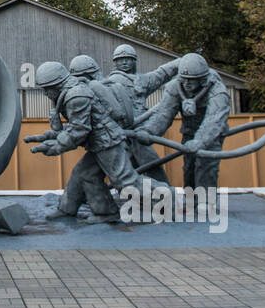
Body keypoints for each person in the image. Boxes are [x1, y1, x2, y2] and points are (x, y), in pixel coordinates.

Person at [30, 61, 168, 223]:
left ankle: (168, 198)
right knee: (83, 174)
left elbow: (79, 130)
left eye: (46, 88)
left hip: (108, 143)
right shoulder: (69, 93)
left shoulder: (77, 96)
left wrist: (56, 147)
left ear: (56, 84)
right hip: (99, 143)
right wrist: (49, 136)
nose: (45, 93)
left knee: (126, 181)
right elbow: (75, 127)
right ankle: (83, 210)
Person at [136, 52, 230, 190]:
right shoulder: (174, 87)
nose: (186, 83)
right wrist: (148, 130)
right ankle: (192, 202)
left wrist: (200, 141)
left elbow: (214, 120)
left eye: (191, 80)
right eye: (184, 79)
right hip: (189, 132)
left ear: (202, 79)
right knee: (189, 167)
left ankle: (205, 204)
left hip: (211, 135)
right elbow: (164, 113)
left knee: (205, 165)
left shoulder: (218, 91)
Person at [103, 44, 178, 183]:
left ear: (134, 61)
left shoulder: (141, 80)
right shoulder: (110, 83)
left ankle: (157, 195)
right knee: (148, 164)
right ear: (115, 63)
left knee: (138, 166)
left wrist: (181, 62)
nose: (124, 62)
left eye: (128, 59)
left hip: (141, 131)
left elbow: (162, 73)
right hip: (123, 133)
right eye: (120, 59)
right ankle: (163, 192)